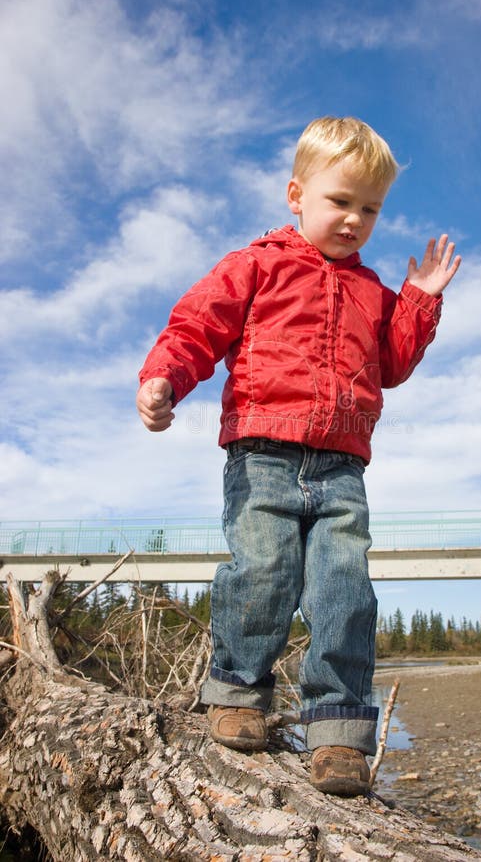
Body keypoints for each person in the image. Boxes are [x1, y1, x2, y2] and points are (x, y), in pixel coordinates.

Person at [136, 116, 461, 796]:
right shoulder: (255, 264)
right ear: (297, 195)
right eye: (340, 201)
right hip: (262, 456)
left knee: (344, 593)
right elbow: (199, 324)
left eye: (369, 209)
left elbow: (393, 365)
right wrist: (164, 375)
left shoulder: (373, 291)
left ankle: (339, 732)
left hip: (342, 468)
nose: (354, 220)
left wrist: (419, 302)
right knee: (261, 574)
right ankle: (236, 695)